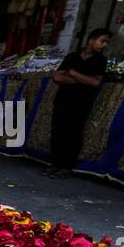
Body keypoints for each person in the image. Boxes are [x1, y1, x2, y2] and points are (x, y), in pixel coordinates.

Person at [46, 28, 111, 178]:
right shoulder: (72, 57)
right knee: (57, 132)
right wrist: (83, 80)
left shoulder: (100, 61)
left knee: (73, 135)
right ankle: (54, 164)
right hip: (63, 100)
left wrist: (74, 74)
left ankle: (66, 167)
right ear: (91, 40)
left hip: (81, 103)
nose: (104, 45)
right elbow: (57, 77)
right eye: (102, 41)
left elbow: (95, 82)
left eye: (106, 42)